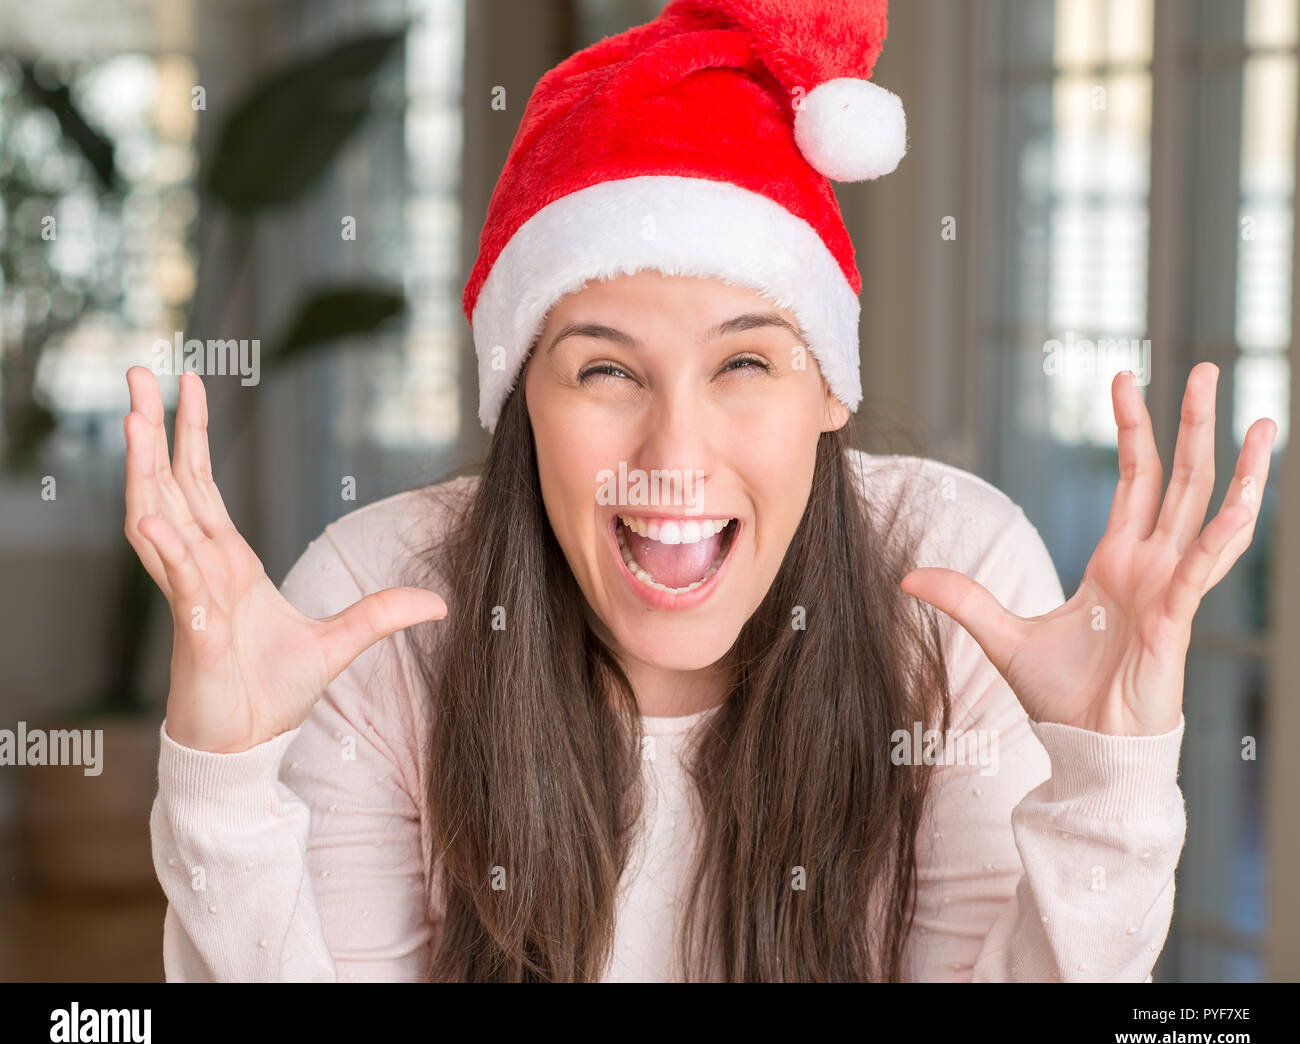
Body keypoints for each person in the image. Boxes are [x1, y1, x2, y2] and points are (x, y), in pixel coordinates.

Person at [131, 0, 1276, 982]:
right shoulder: (376, 603)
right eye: (604, 369)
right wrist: (223, 790)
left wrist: (1105, 788)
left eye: (744, 362)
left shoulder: (955, 571)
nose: (672, 450)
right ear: (520, 393)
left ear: (829, 388)